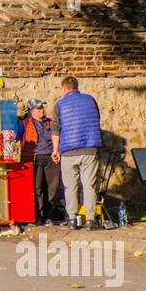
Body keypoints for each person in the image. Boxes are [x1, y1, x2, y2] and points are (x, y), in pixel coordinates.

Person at [51, 76, 103, 229]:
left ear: (64, 89)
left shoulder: (59, 104)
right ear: (76, 87)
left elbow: (56, 129)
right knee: (89, 184)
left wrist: (55, 150)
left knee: (70, 185)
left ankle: (72, 219)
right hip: (90, 148)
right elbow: (96, 119)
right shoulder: (90, 100)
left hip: (68, 150)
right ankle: (90, 219)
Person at [20, 99, 61, 225]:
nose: (42, 110)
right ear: (32, 111)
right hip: (35, 157)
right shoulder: (25, 123)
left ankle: (47, 215)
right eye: (39, 108)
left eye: (42, 108)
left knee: (52, 188)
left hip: (50, 157)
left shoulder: (50, 123)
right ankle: (37, 215)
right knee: (37, 188)